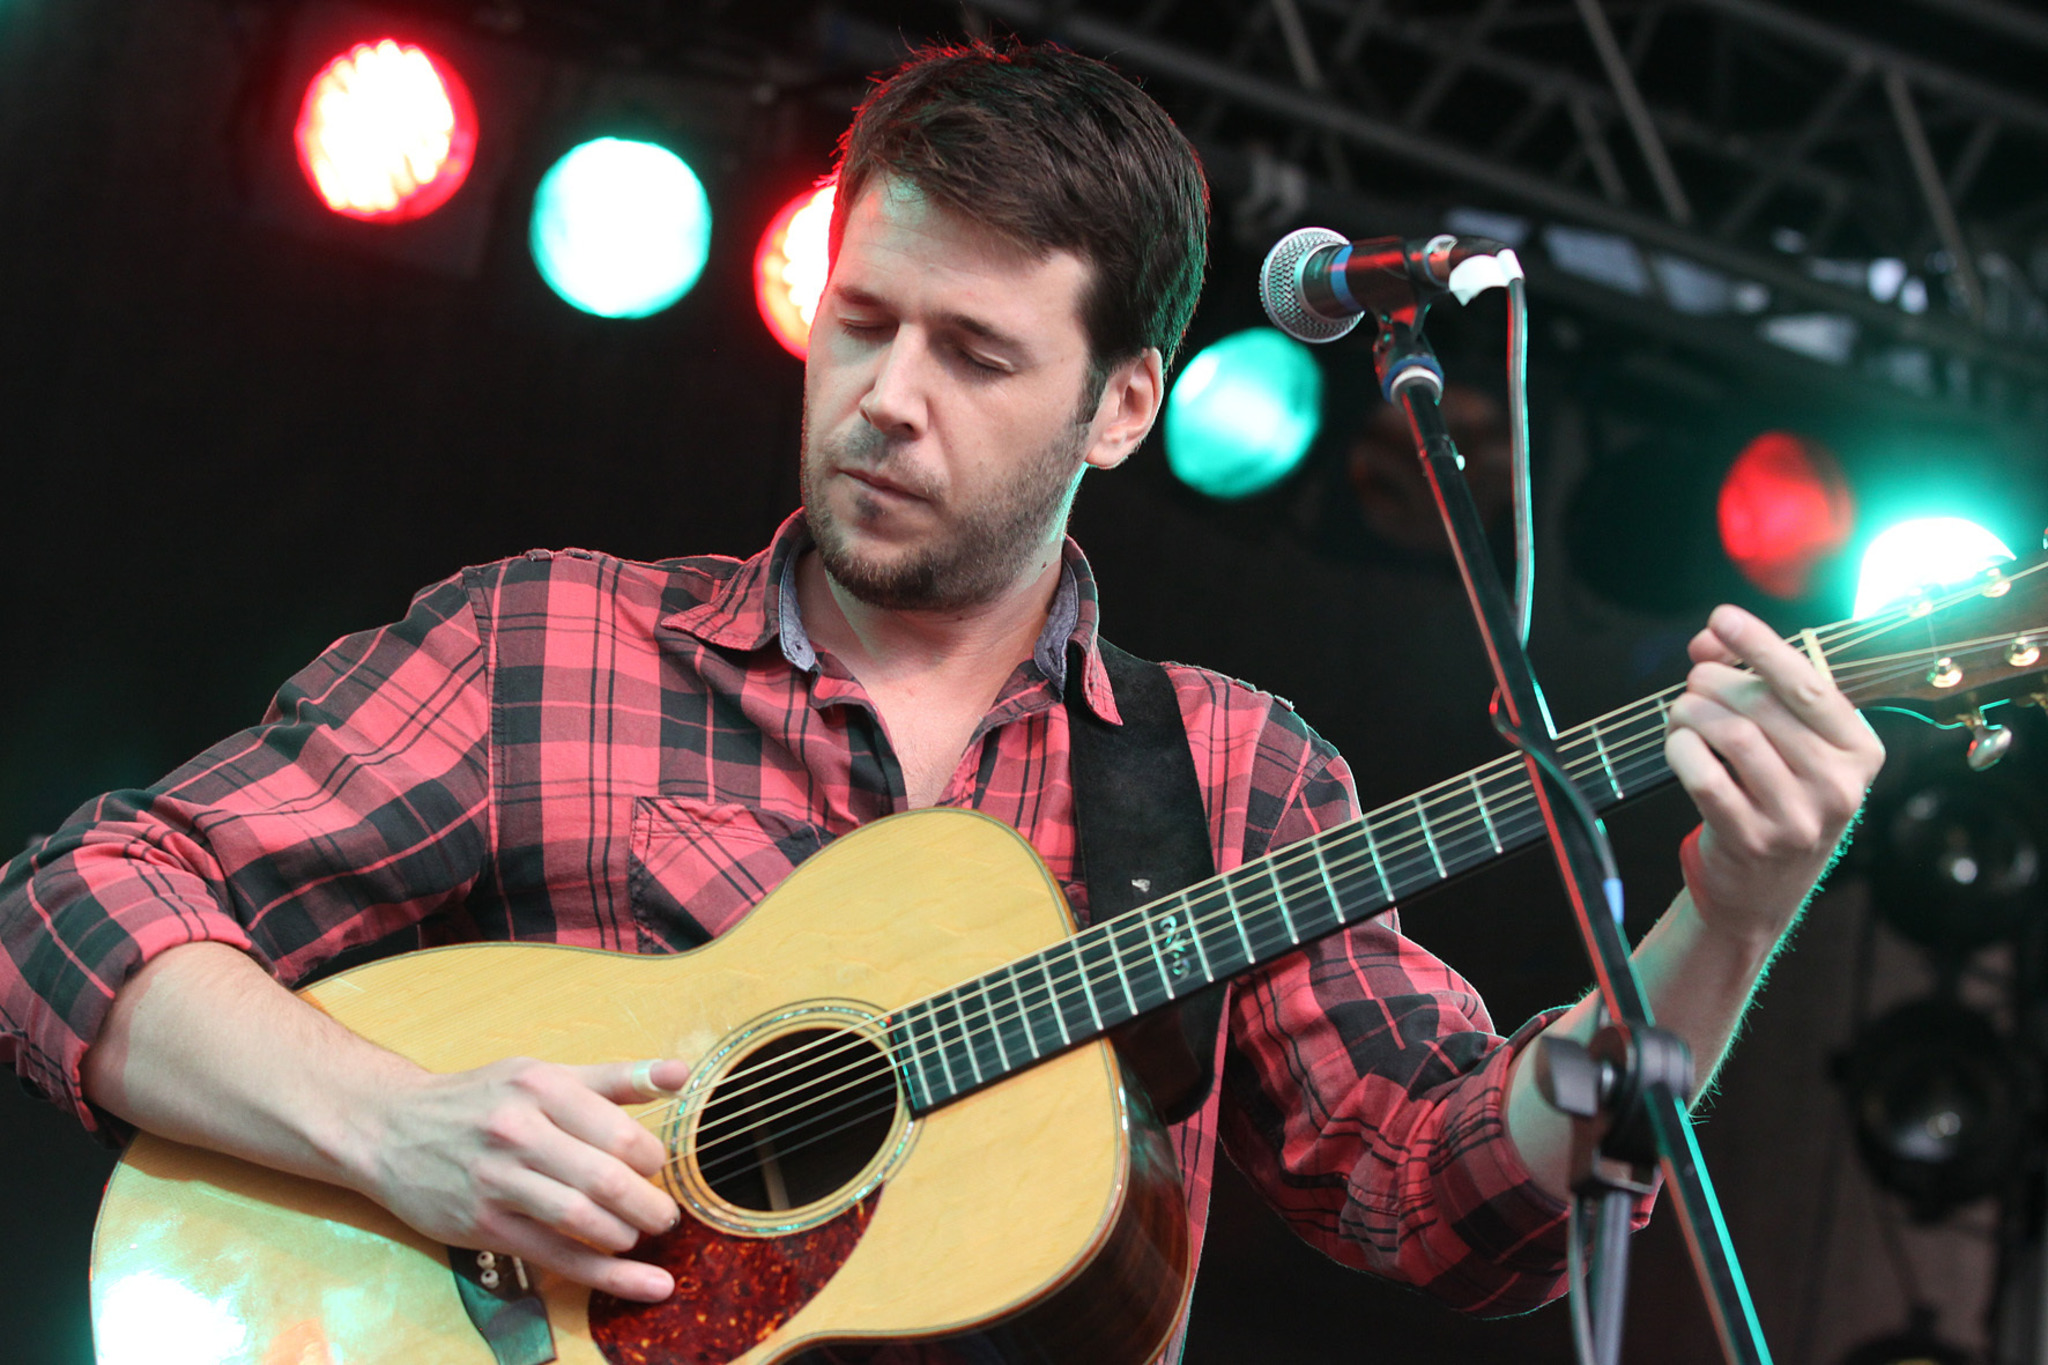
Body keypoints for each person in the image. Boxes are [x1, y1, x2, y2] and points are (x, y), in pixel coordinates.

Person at [0, 38, 1880, 1359]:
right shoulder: (547, 644)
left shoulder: (1227, 773)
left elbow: (1456, 1195)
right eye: (865, 319)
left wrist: (1723, 928)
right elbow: (69, 913)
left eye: (977, 354)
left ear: (1123, 407)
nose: (888, 396)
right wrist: (389, 1125)